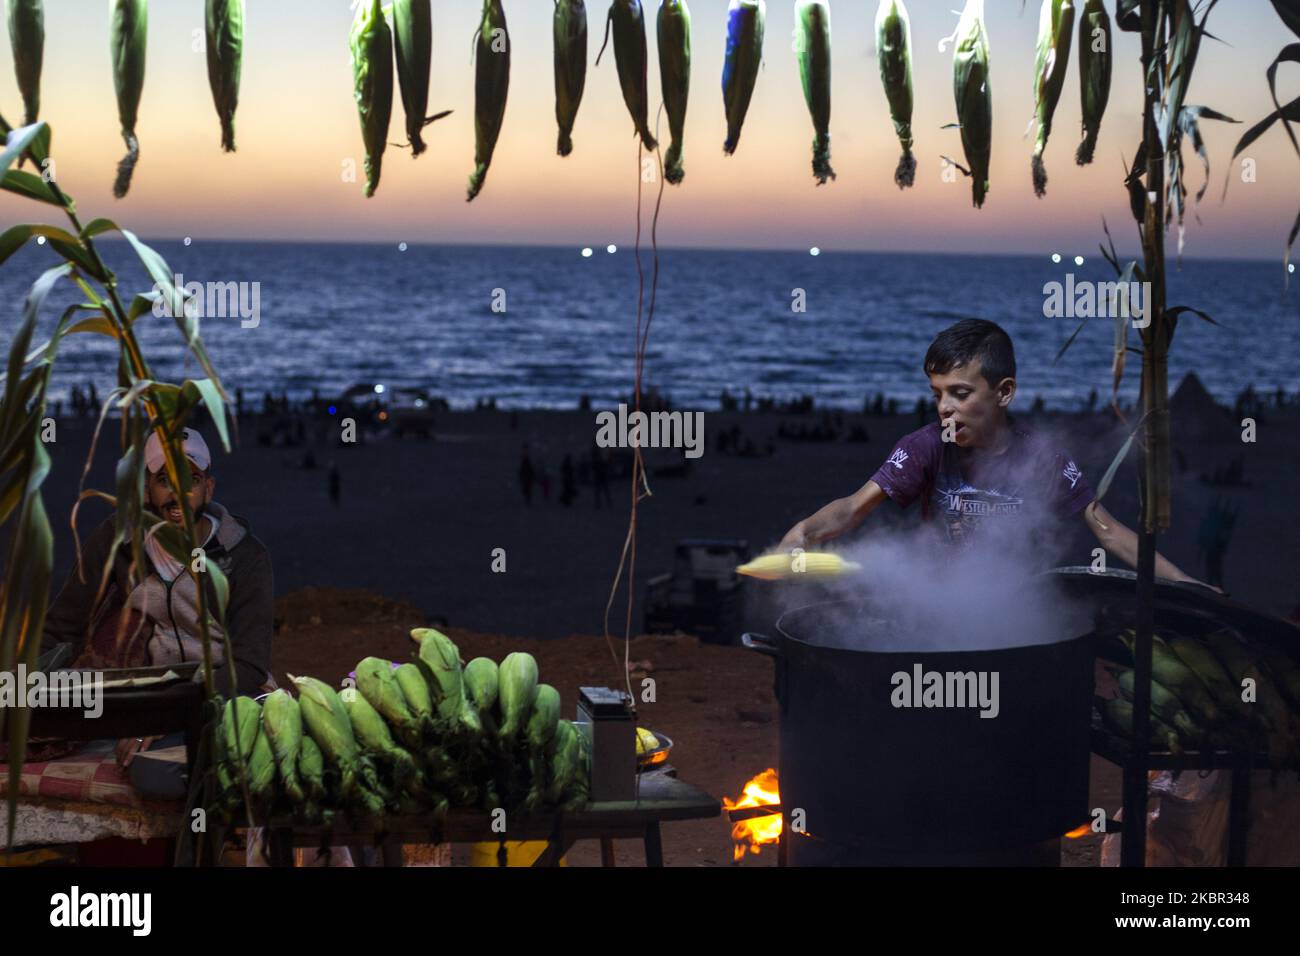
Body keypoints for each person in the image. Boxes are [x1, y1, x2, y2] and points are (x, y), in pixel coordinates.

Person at [779, 319, 1214, 589]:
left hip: (1014, 610)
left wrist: (1185, 583)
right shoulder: (925, 446)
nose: (945, 406)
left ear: (1004, 393)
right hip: (938, 604)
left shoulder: (1044, 458)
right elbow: (852, 509)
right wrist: (803, 533)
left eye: (960, 393)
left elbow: (1109, 532)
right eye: (937, 394)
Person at [41, 428, 275, 796]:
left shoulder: (244, 557)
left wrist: (176, 712)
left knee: (158, 775)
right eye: (165, 480)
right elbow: (62, 627)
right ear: (146, 490)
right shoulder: (120, 543)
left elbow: (249, 664)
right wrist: (20, 677)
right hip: (157, 699)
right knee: (149, 771)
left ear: (208, 488)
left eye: (191, 479)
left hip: (234, 697)